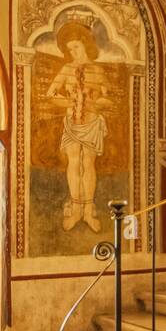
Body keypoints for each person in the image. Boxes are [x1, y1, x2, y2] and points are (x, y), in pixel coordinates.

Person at [45, 23, 112, 233]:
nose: (73, 52)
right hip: (72, 122)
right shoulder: (67, 69)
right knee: (74, 162)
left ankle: (88, 211)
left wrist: (93, 103)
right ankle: (75, 209)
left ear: (86, 45)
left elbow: (107, 100)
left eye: (76, 47)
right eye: (70, 49)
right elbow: (51, 93)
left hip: (92, 122)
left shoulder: (97, 70)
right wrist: (70, 103)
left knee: (88, 162)